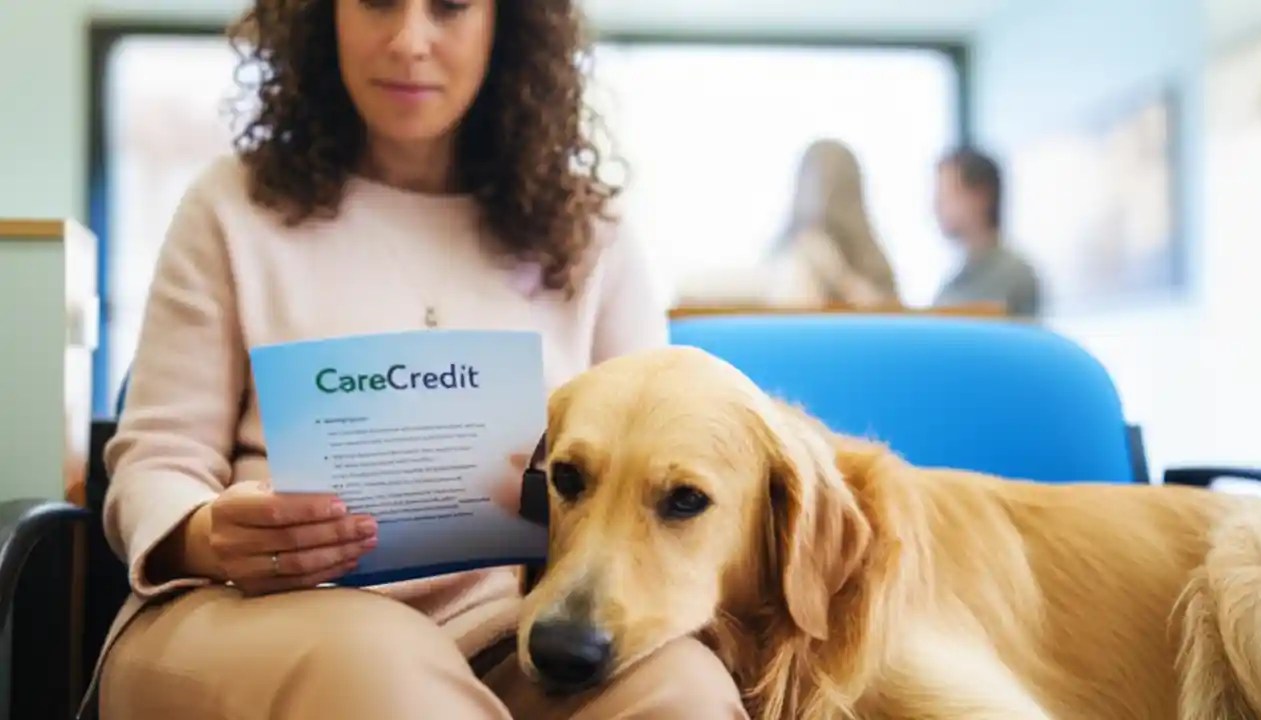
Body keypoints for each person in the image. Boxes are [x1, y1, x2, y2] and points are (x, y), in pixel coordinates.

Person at [92, 2, 746, 719]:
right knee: (381, 666)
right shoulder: (229, 206)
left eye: (450, 6)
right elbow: (156, 458)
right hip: (245, 613)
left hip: (507, 634)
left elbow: (652, 473)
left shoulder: (596, 239)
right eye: (376, 0)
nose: (409, 40)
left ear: (508, 24)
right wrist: (206, 535)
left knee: (687, 690)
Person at [765, 139, 900, 307]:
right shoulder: (786, 256)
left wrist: (839, 276)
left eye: (833, 183)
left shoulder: (874, 266)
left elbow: (887, 315)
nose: (821, 195)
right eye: (813, 181)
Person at [932, 147, 1042, 317]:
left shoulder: (1013, 274)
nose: (937, 207)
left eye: (947, 195)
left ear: (981, 196)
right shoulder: (955, 280)